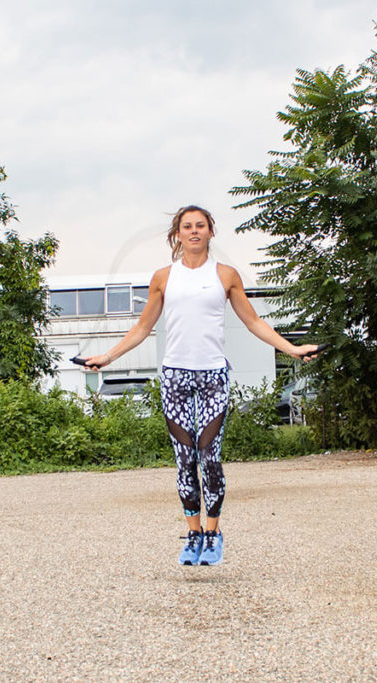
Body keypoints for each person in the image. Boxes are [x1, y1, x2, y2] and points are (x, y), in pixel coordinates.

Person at [79, 205, 321, 566]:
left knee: (209, 457)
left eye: (200, 225)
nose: (194, 231)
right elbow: (143, 328)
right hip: (175, 377)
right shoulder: (163, 278)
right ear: (177, 234)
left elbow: (254, 322)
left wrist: (292, 349)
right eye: (187, 226)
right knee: (185, 459)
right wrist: (107, 357)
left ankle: (212, 532)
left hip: (212, 377)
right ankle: (192, 534)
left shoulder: (226, 276)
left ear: (210, 231)